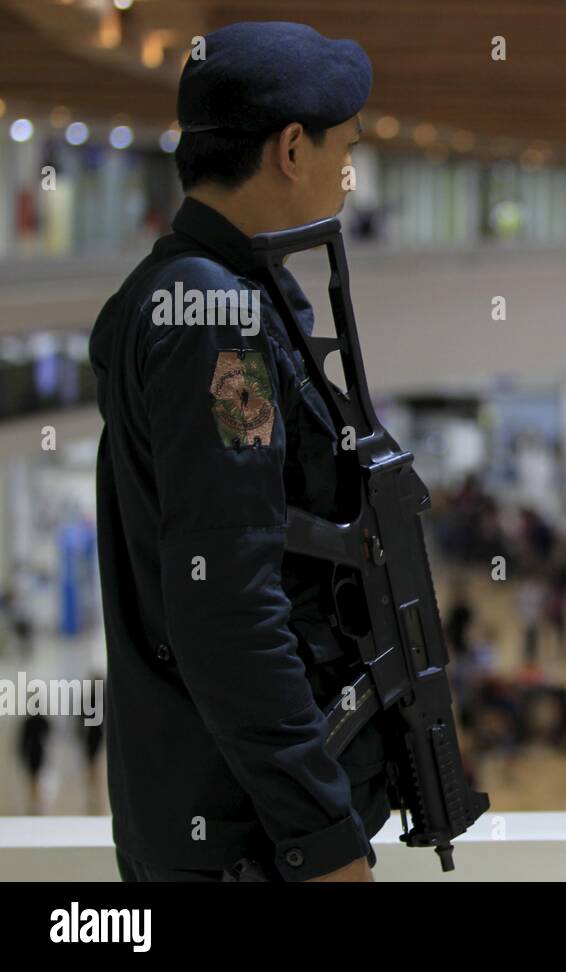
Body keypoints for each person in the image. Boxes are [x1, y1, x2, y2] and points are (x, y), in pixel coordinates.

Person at [90, 22, 382, 882]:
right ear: (292, 148)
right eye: (346, 148)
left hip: (220, 823)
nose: (348, 172)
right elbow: (228, 605)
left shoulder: (188, 293)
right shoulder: (218, 322)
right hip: (247, 842)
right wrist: (323, 834)